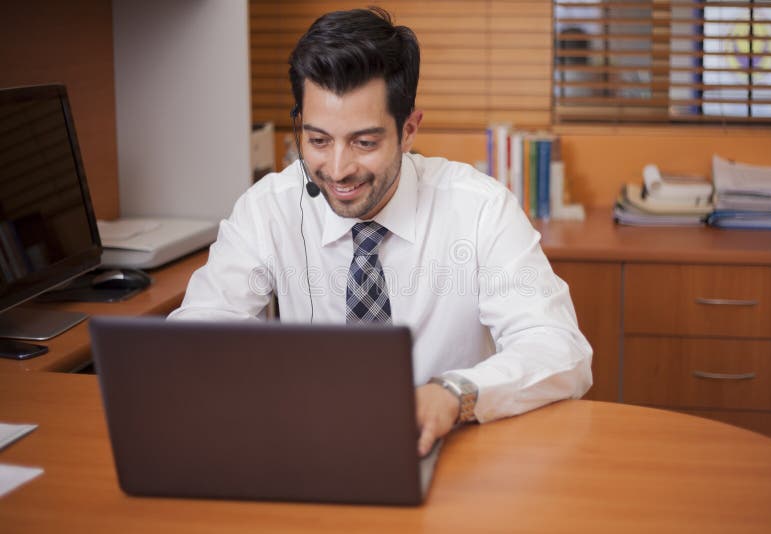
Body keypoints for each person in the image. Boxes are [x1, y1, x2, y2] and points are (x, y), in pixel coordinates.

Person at [169, 7, 592, 456]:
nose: (338, 169)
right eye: (318, 140)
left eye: (364, 143)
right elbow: (197, 338)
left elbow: (559, 349)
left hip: (449, 453)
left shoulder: (479, 208)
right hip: (310, 451)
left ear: (408, 130)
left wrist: (455, 394)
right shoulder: (268, 208)